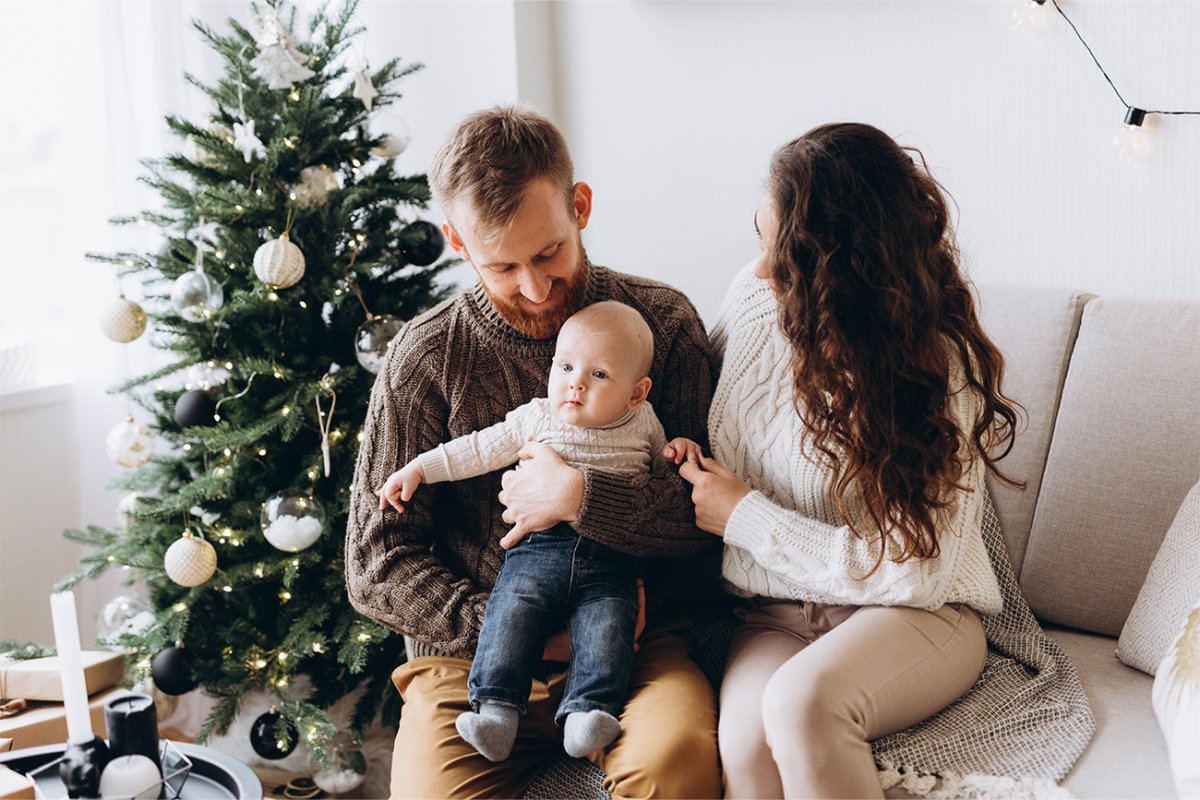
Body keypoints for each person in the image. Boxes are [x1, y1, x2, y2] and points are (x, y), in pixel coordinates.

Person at [345, 105, 723, 799]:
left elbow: (707, 518)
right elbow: (375, 564)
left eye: (548, 253)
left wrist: (583, 500)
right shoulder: (424, 358)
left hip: (638, 643)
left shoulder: (662, 326)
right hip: (467, 661)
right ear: (456, 240)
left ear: (579, 206)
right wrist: (515, 628)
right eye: (502, 266)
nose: (535, 288)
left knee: (677, 767)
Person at [676, 122, 1023, 799]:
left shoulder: (932, 367)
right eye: (760, 239)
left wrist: (746, 518)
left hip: (920, 614)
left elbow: (918, 573)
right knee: (745, 750)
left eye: (790, 254)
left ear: (844, 263)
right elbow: (668, 386)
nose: (766, 269)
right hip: (773, 616)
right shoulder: (753, 300)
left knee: (801, 704)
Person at [377, 301, 683, 762]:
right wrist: (421, 468)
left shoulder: (645, 423)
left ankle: (588, 709)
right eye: (565, 366)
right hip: (537, 552)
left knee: (609, 628)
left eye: (599, 375)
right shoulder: (537, 416)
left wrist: (679, 451)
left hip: (612, 560)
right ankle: (496, 708)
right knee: (510, 612)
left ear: (636, 394)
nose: (575, 382)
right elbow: (478, 449)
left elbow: (665, 481)